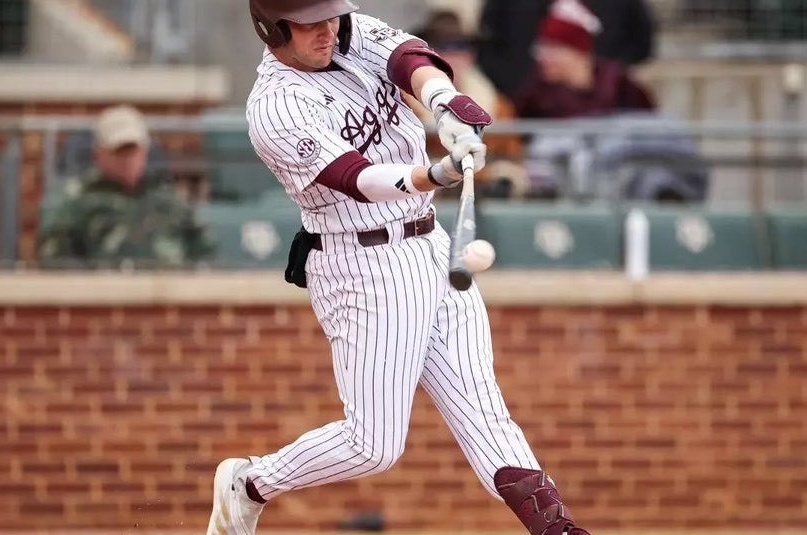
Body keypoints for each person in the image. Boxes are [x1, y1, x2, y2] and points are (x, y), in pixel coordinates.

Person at [206, 2, 593, 535]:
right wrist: (432, 172)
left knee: (488, 419)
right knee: (374, 445)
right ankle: (250, 483)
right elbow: (354, 178)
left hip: (429, 241)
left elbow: (410, 57)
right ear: (273, 27)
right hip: (362, 263)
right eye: (309, 21)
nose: (327, 29)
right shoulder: (274, 106)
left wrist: (445, 104)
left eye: (331, 15)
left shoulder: (346, 32)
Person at [37, 105, 215, 268]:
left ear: (145, 152)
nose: (128, 160)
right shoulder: (74, 200)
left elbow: (204, 253)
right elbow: (55, 260)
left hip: (167, 295)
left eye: (133, 151)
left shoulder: (170, 199)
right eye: (119, 152)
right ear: (98, 153)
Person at [513, 0, 655, 119]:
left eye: (554, 49)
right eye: (542, 49)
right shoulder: (536, 96)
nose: (545, 58)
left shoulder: (619, 85)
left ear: (578, 52)